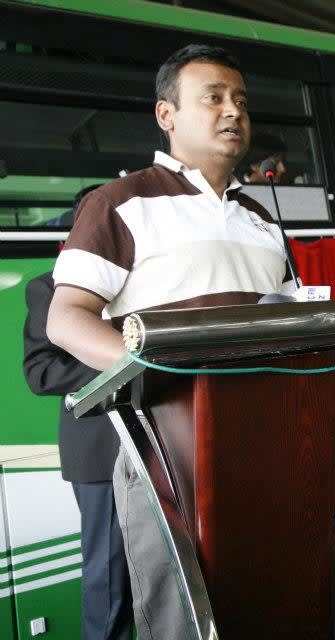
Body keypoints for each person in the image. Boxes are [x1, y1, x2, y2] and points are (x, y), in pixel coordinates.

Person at [46, 44, 293, 639]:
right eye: (213, 98)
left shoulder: (261, 219)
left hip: (253, 437)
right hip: (161, 447)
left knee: (255, 598)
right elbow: (66, 319)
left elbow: (284, 318)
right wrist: (164, 376)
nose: (233, 111)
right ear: (167, 115)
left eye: (241, 100)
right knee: (171, 613)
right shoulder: (120, 203)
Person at [23, 271, 133, 640]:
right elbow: (40, 373)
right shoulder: (48, 287)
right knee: (109, 585)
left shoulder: (147, 276)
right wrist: (118, 356)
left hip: (159, 443)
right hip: (100, 454)